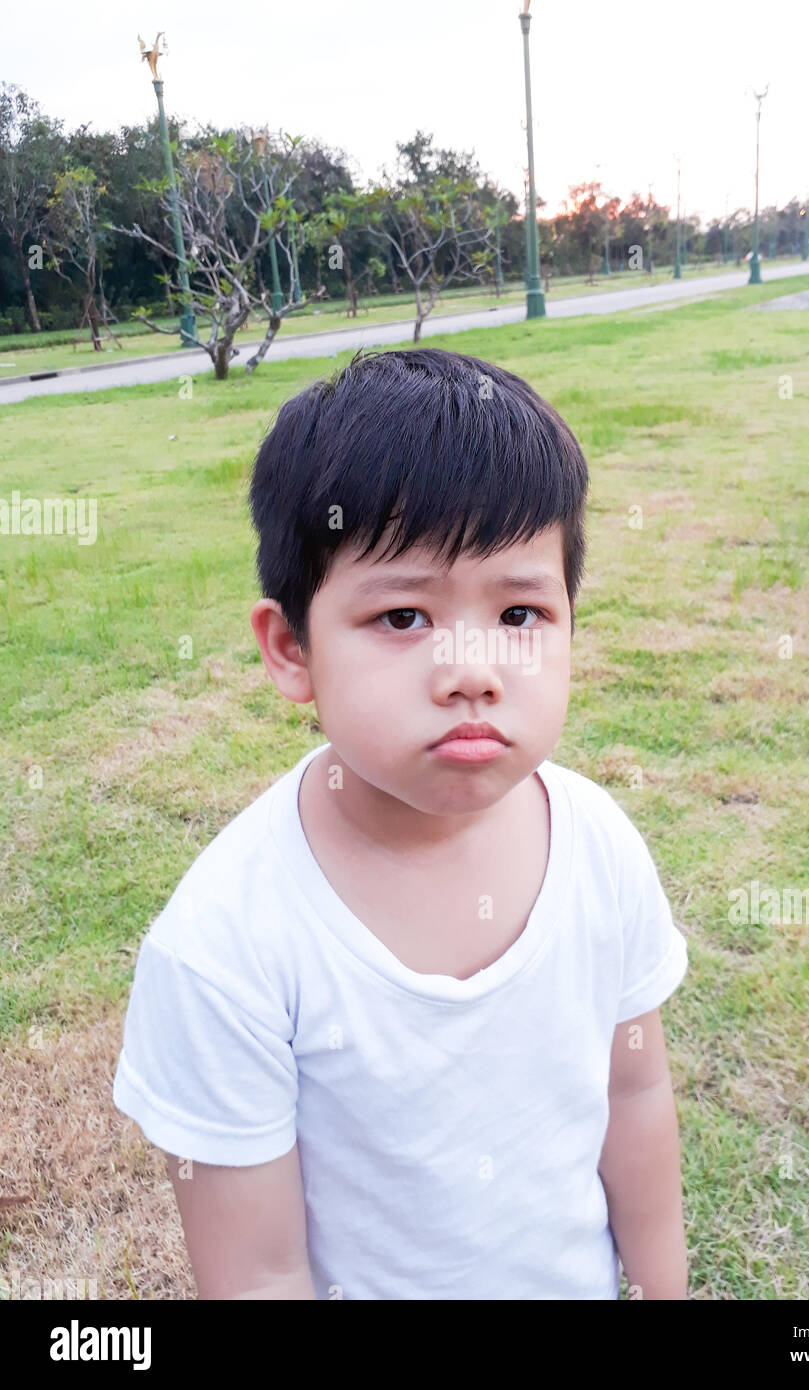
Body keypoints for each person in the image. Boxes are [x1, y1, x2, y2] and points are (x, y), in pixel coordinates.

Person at [111, 345, 690, 1300]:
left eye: (519, 612)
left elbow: (634, 1095)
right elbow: (257, 1271)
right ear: (292, 649)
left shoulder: (599, 846)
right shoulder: (227, 945)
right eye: (403, 617)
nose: (472, 667)